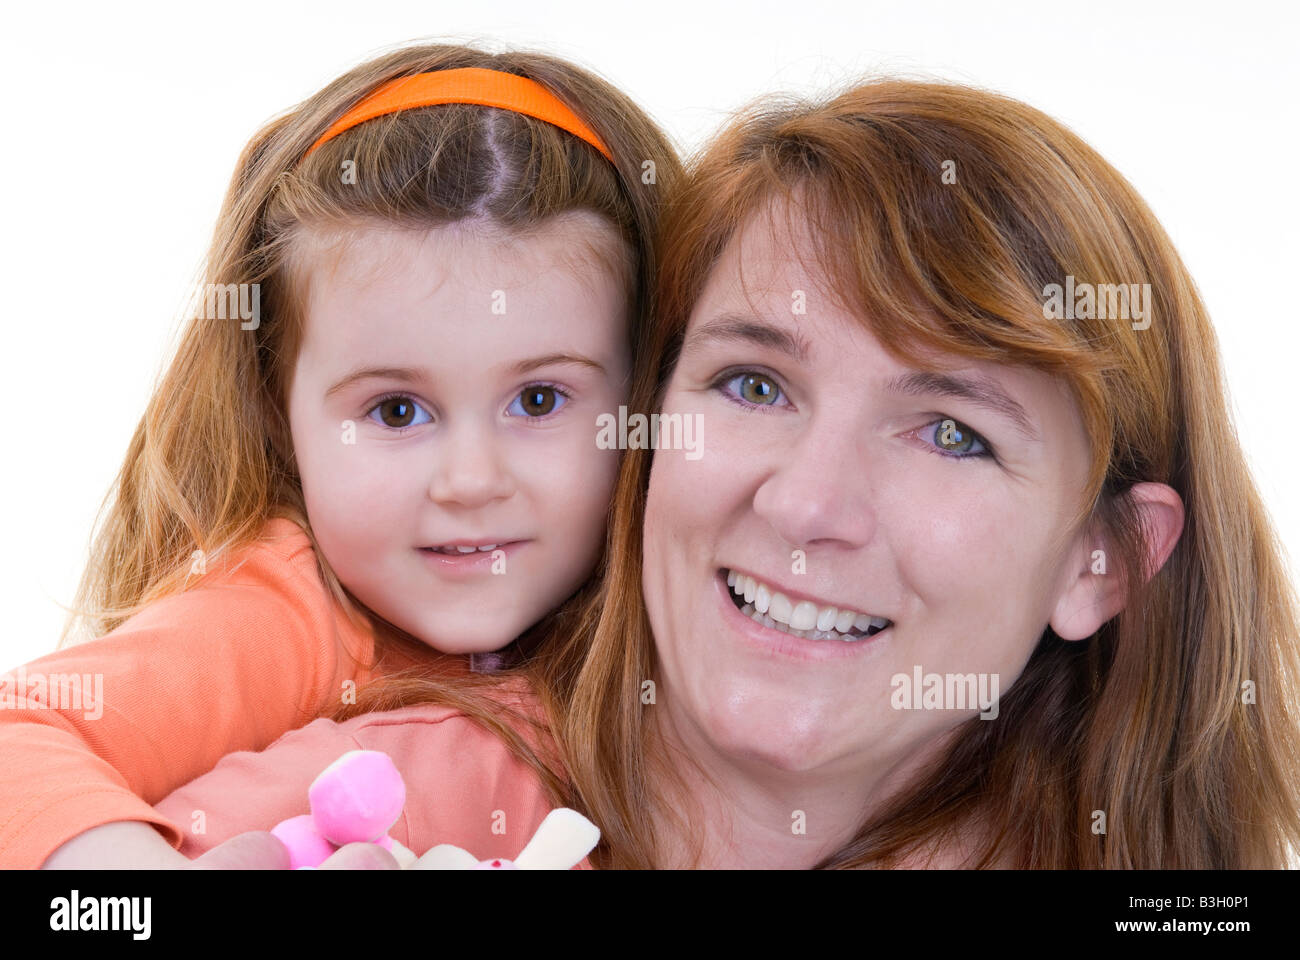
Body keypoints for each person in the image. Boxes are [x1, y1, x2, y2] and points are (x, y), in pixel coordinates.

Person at [89, 78, 1300, 869]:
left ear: (1103, 562)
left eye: (949, 431)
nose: (805, 505)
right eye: (755, 386)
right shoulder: (388, 796)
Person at [5, 42, 681, 869]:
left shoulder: (686, 627)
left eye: (538, 401)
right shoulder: (284, 605)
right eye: (397, 410)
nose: (470, 481)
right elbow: (20, 733)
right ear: (277, 411)